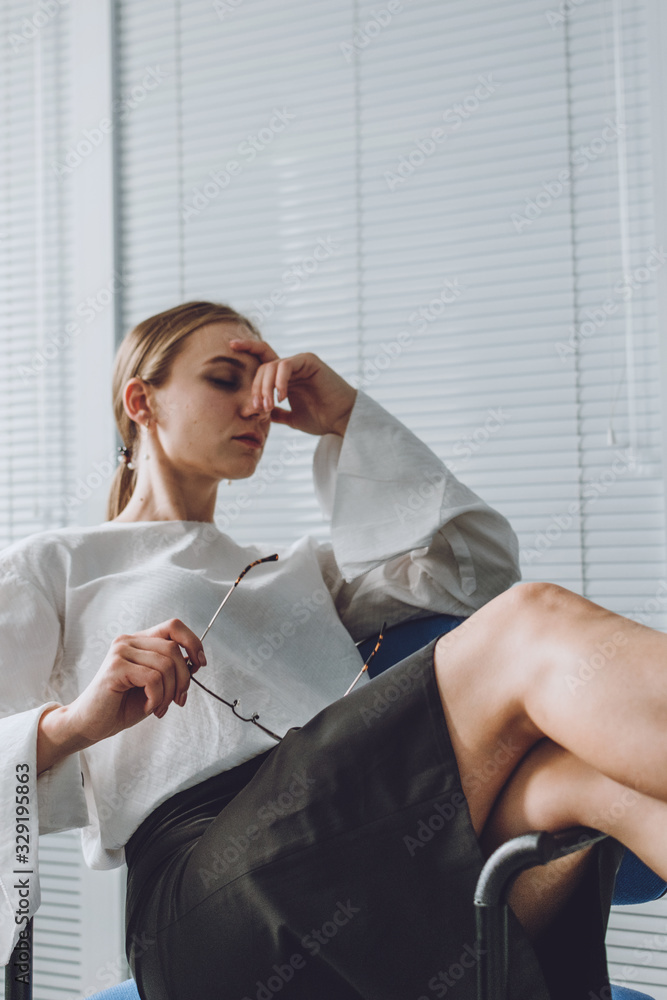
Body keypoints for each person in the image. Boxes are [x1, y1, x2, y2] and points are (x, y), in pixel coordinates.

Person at [0, 300, 664, 1000]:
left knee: (585, 787)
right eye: (226, 379)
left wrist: (347, 419)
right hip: (211, 907)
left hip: (364, 865)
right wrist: (73, 724)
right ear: (143, 400)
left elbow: (473, 571)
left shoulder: (298, 569)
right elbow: (516, 618)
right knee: (534, 617)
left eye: (264, 384)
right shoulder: (57, 565)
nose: (255, 406)